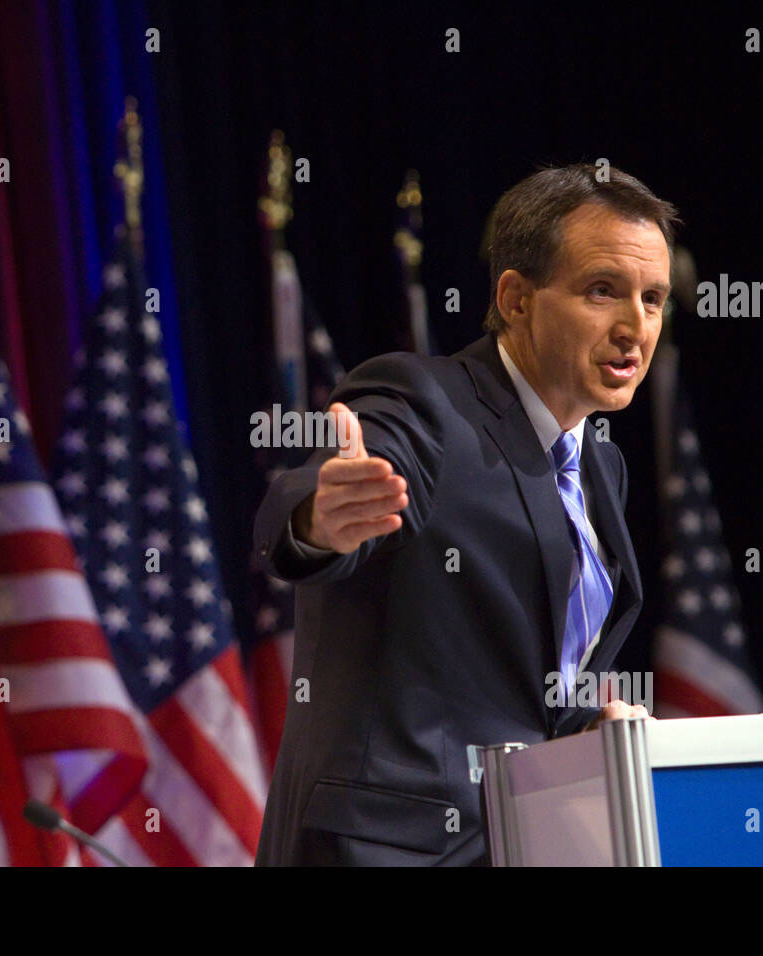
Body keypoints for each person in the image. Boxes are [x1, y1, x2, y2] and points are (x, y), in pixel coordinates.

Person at [252, 163, 679, 865]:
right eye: (603, 291)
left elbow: (522, 681)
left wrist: (587, 728)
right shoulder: (427, 404)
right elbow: (300, 509)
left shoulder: (602, 466)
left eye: (654, 298)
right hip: (387, 849)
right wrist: (318, 521)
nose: (636, 326)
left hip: (520, 842)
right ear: (515, 297)